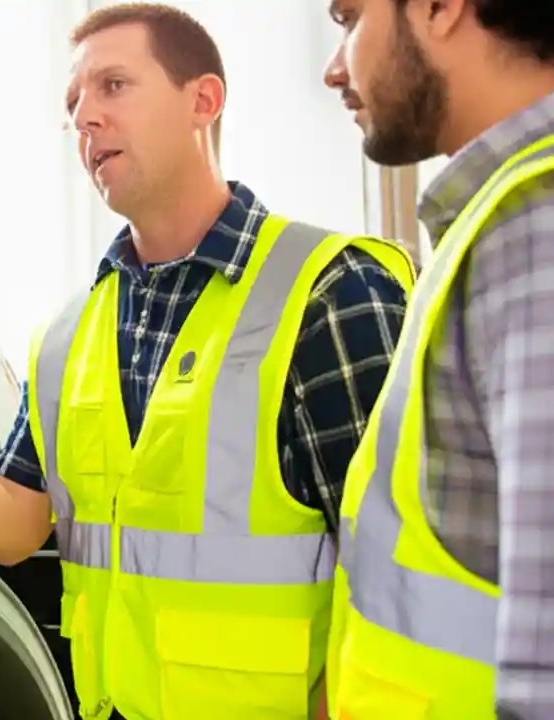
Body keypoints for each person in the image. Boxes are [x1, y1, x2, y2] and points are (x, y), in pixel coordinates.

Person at [0, 4, 413, 719]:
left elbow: (400, 570)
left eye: (114, 86)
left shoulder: (329, 294)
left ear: (203, 101)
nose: (84, 118)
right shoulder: (69, 336)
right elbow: (15, 520)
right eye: (73, 102)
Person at [320, 0, 554, 718]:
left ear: (440, 7)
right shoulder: (492, 225)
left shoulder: (534, 232)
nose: (334, 69)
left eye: (350, 18)